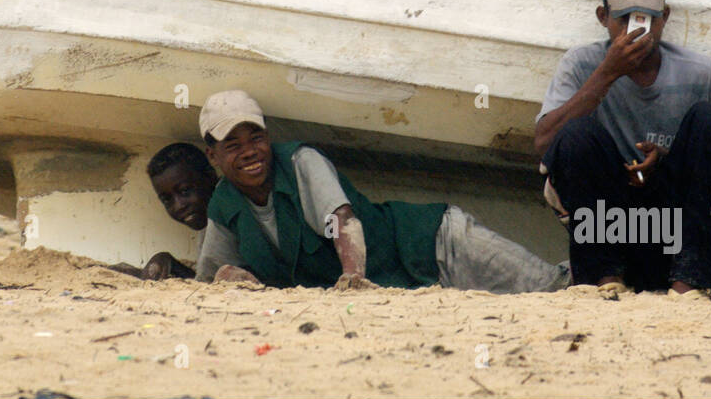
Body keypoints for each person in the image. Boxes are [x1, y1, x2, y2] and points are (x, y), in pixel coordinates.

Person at [194, 89, 569, 293]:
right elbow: (211, 274)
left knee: (552, 288)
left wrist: (353, 279)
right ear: (212, 155)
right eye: (232, 145)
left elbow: (341, 220)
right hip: (414, 287)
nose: (249, 152)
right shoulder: (224, 205)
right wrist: (229, 275)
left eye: (255, 137)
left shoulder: (299, 162)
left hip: (438, 244)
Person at [533, 0, 711, 295]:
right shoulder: (581, 64)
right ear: (603, 17)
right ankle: (604, 282)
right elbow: (545, 144)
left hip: (675, 230)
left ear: (665, 17)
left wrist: (666, 159)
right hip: (610, 229)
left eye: (647, 17)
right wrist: (606, 73)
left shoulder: (702, 74)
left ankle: (686, 284)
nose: (637, 29)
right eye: (625, 18)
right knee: (573, 135)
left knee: (709, 120)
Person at [110, 142, 217, 280]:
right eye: (167, 200)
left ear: (210, 177)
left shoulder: (227, 214)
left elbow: (214, 284)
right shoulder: (208, 222)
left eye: (185, 191)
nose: (179, 206)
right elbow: (205, 280)